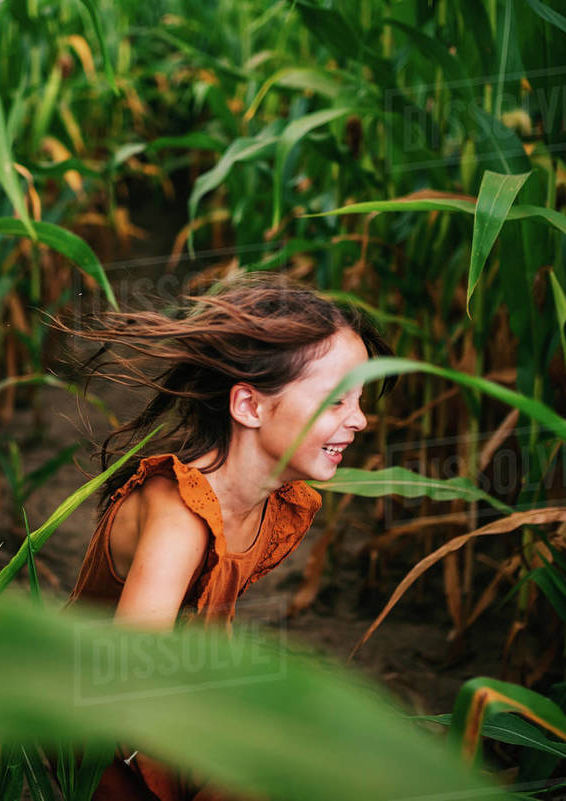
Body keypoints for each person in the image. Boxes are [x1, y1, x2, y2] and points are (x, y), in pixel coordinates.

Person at [47, 271, 394, 801]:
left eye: (360, 400)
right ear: (249, 406)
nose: (360, 420)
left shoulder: (270, 498)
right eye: (337, 401)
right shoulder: (181, 515)